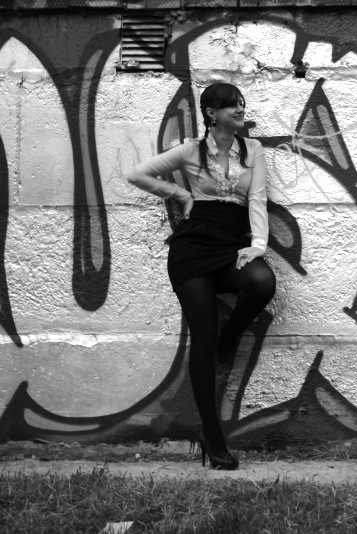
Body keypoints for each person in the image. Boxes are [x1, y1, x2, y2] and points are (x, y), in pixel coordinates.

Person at [127, 82, 276, 470]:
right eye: (232, 105)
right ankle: (211, 434)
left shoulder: (253, 150)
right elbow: (138, 174)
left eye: (242, 104)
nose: (240, 110)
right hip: (193, 249)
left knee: (262, 282)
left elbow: (257, 198)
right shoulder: (190, 150)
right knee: (202, 338)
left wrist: (259, 244)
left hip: (232, 243)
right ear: (211, 113)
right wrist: (179, 194)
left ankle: (232, 333)